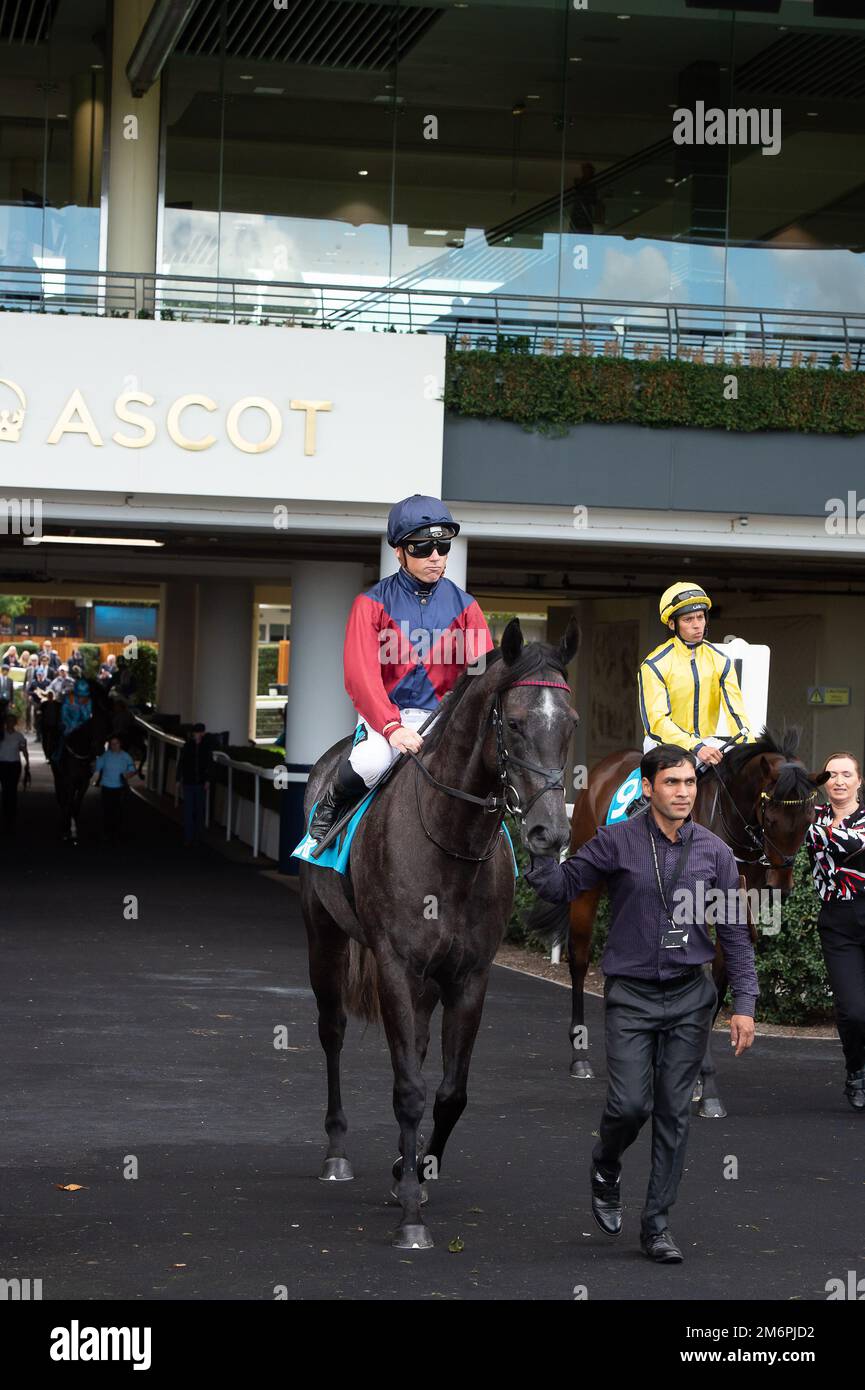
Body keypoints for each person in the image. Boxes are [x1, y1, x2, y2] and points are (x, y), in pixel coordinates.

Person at [525, 742, 757, 1264]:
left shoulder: (715, 853)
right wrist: (541, 851)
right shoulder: (617, 842)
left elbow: (735, 936)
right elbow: (562, 885)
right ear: (648, 788)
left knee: (675, 1113)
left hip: (690, 997)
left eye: (690, 783)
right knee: (631, 1105)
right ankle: (606, 1164)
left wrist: (744, 1002)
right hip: (631, 995)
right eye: (671, 783)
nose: (682, 793)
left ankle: (656, 1226)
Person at [308, 494, 493, 842]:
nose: (435, 557)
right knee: (372, 763)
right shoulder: (370, 604)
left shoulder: (468, 608)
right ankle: (330, 803)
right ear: (399, 551)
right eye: (422, 548)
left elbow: (480, 673)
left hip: (442, 720)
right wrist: (392, 728)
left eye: (442, 547)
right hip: (384, 720)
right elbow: (360, 676)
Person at [627, 582, 753, 817]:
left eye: (700, 617)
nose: (697, 625)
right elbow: (657, 722)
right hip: (664, 744)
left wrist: (750, 748)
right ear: (673, 624)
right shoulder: (654, 664)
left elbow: (737, 714)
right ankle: (639, 822)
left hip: (707, 741)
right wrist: (697, 747)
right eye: (688, 620)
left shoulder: (721, 661)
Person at [806, 751, 865, 1112]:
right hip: (838, 920)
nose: (839, 781)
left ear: (859, 781)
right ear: (823, 783)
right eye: (831, 775)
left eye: (846, 774)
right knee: (853, 1010)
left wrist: (818, 832)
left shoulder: (814, 825)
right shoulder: (811, 817)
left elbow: (855, 844)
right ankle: (856, 1072)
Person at [93, 735, 137, 841]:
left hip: (119, 788)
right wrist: (94, 763)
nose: (114, 746)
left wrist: (129, 774)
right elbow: (96, 767)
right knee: (107, 811)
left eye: (116, 743)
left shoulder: (126, 756)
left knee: (118, 812)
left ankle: (117, 833)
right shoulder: (105, 755)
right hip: (106, 788)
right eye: (111, 744)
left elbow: (132, 768)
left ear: (120, 744)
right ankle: (107, 833)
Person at [178, 722, 213, 846]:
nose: (197, 735)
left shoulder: (190, 746)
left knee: (193, 810)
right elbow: (209, 764)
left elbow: (182, 763)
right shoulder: (202, 746)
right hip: (195, 782)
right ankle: (194, 836)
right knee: (195, 810)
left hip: (193, 782)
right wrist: (207, 780)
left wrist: (179, 779)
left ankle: (194, 837)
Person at [0, 712, 30, 830]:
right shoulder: (1, 735)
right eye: (8, 721)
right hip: (2, 765)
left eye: (12, 721)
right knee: (5, 789)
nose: (9, 723)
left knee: (12, 790)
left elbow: (23, 750)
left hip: (14, 765)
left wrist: (27, 763)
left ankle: (11, 816)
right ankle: (6, 813)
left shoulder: (19, 736)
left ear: (15, 723)